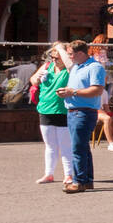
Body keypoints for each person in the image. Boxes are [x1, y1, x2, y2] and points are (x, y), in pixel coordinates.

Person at [56, 40, 105, 193]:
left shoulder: (95, 67)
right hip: (74, 111)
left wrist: (73, 92)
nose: (69, 57)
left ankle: (79, 182)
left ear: (80, 53)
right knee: (82, 147)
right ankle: (87, 180)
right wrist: (67, 91)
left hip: (84, 112)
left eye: (71, 54)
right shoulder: (76, 66)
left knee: (78, 148)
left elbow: (97, 90)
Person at [29, 43, 73, 186]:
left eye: (57, 57)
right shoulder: (47, 66)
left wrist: (61, 49)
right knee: (50, 145)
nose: (54, 59)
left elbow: (70, 64)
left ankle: (68, 175)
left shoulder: (69, 69)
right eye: (53, 56)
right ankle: (49, 174)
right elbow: (33, 80)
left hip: (63, 110)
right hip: (45, 109)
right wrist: (37, 77)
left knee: (65, 146)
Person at [89, 34, 113, 151]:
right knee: (107, 119)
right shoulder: (94, 89)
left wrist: (109, 112)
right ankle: (111, 143)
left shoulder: (103, 91)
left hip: (103, 110)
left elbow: (106, 107)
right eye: (105, 42)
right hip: (95, 111)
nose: (107, 45)